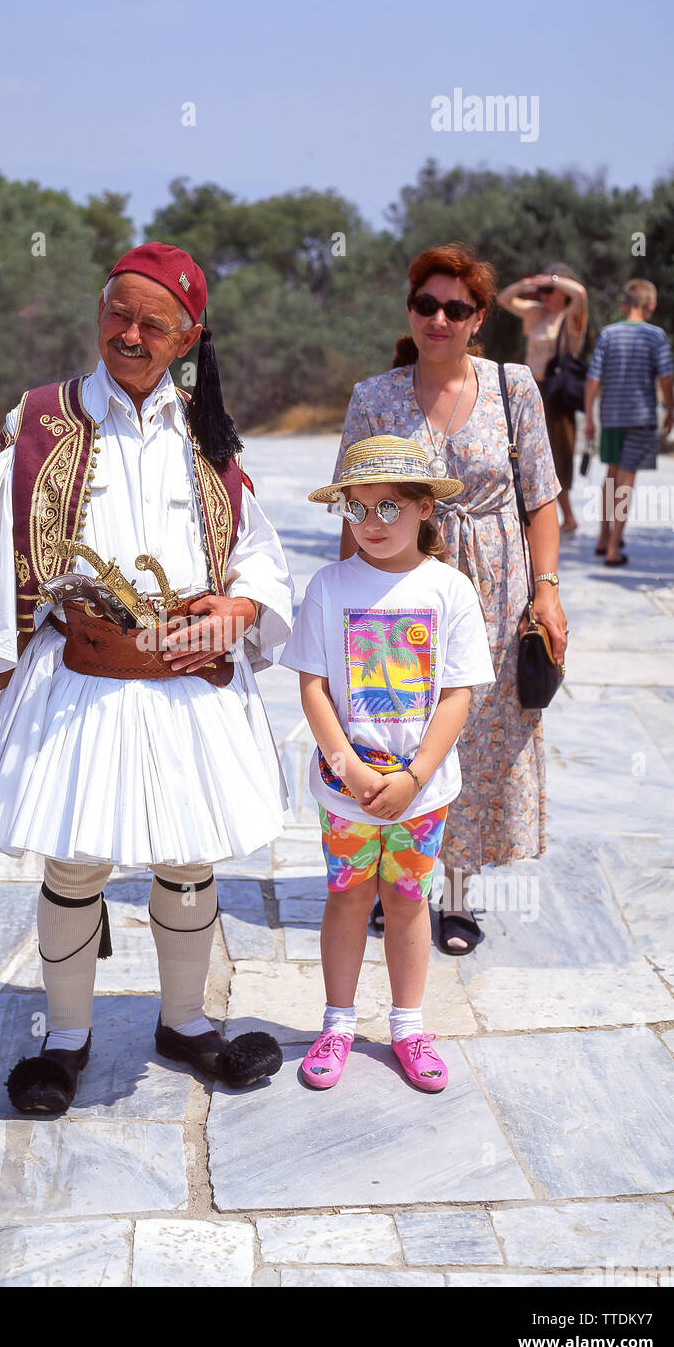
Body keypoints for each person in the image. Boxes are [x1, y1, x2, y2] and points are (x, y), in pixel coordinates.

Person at [0, 243, 293, 1113]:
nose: (129, 334)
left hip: (186, 682)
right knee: (77, 857)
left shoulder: (209, 437)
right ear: (99, 314)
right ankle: (64, 1039)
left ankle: (185, 1024)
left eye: (152, 323)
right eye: (116, 314)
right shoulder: (42, 421)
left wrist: (240, 611)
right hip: (78, 675)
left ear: (187, 336)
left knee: (185, 858)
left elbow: (258, 557)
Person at [334, 243, 567, 955]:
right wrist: (347, 609)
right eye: (425, 304)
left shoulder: (512, 387)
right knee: (395, 728)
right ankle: (397, 881)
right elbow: (354, 505)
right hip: (400, 583)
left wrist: (547, 593)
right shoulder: (374, 396)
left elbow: (542, 502)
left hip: (495, 590)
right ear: (410, 310)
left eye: (454, 308)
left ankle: (456, 894)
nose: (438, 317)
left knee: (477, 733)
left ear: (476, 319)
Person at [281, 437, 494, 1090]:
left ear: (424, 508)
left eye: (388, 508)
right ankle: (337, 1023)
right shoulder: (328, 586)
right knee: (346, 897)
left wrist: (413, 777)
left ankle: (407, 1025)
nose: (371, 524)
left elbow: (456, 694)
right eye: (357, 509)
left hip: (420, 793)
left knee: (407, 900)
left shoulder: (448, 589)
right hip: (346, 789)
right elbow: (312, 685)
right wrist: (346, 765)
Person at [584, 279, 674, 567]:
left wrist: (589, 415)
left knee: (610, 476)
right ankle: (613, 548)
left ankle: (602, 536)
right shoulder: (656, 335)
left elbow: (593, 378)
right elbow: (666, 377)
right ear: (652, 306)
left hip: (610, 416)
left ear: (624, 304)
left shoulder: (609, 334)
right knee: (626, 480)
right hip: (640, 416)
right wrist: (670, 410)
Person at [498, 265, 588, 534]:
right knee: (524, 451)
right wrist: (529, 284)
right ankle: (530, 515)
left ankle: (568, 515)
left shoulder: (570, 317)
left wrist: (554, 280)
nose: (545, 295)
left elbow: (581, 293)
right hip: (529, 388)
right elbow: (504, 299)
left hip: (555, 392)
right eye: (543, 291)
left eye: (550, 291)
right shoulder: (536, 313)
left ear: (562, 291)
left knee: (558, 452)